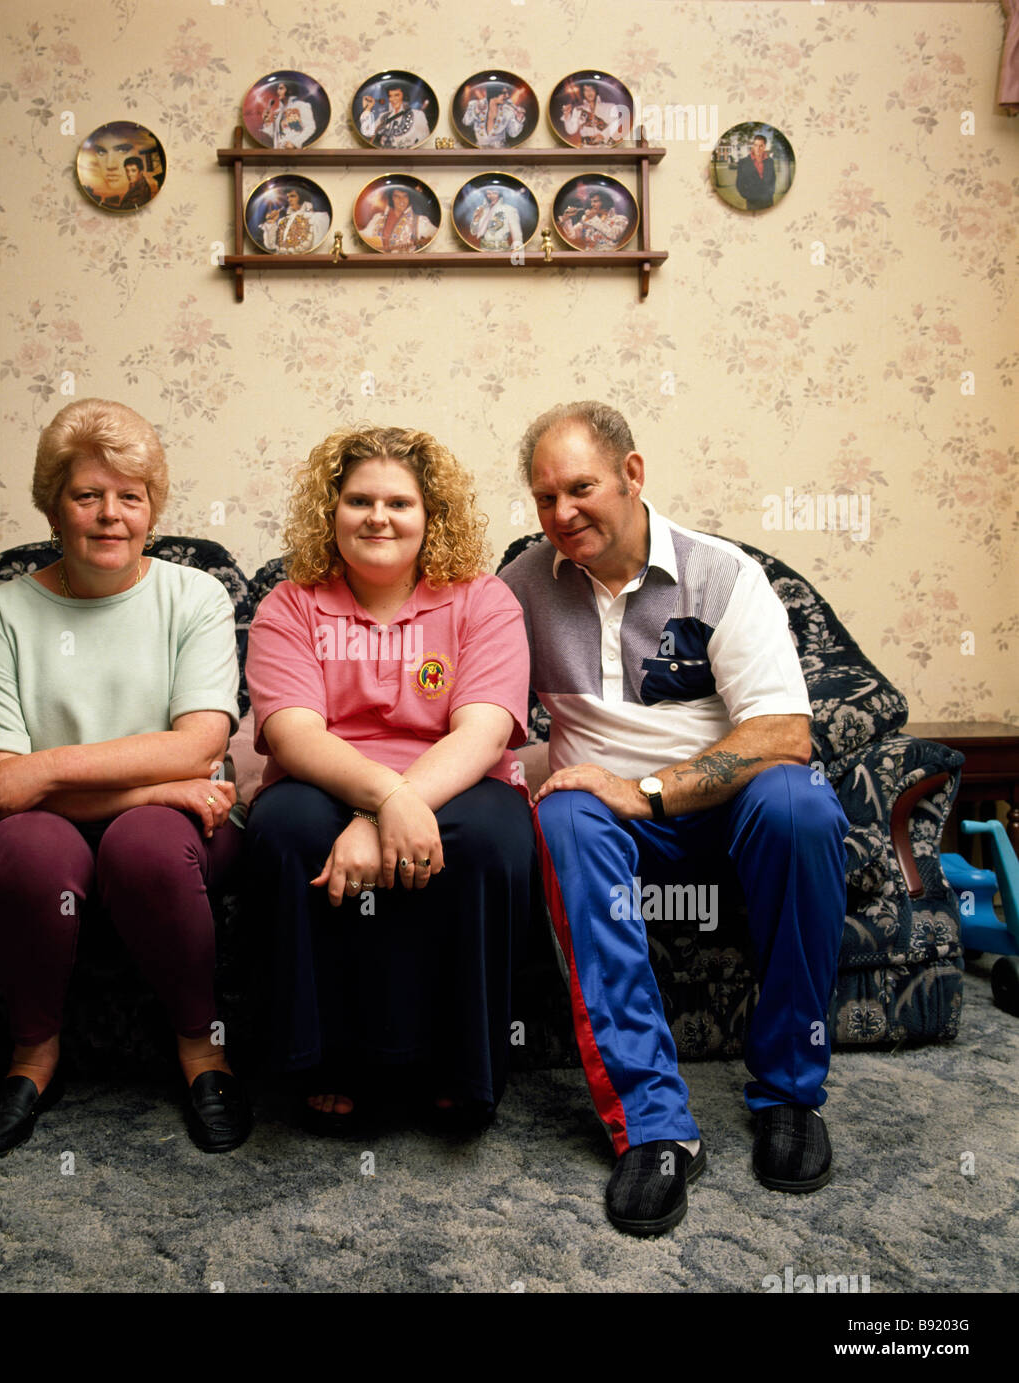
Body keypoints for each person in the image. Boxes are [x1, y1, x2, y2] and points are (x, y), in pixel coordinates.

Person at [498, 401, 848, 1236]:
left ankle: (790, 1093)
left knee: (798, 803)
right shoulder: (520, 588)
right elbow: (480, 714)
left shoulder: (722, 575)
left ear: (633, 473)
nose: (562, 513)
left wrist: (648, 788)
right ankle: (654, 1129)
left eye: (580, 487)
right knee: (568, 815)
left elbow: (782, 733)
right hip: (616, 835)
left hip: (733, 814)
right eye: (544, 498)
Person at [0, 397, 251, 1159]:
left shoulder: (196, 596)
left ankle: (200, 1050)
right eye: (87, 495)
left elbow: (199, 746)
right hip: (52, 830)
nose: (110, 515)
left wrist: (48, 768)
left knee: (146, 842)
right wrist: (155, 781)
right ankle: (33, 1057)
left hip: (177, 832)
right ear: (54, 508)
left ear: (153, 507)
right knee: (24, 847)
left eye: (131, 496)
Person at [244, 425, 535, 1135]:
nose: (379, 516)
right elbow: (294, 734)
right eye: (359, 500)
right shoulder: (290, 605)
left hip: (455, 777)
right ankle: (328, 1061)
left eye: (400, 502)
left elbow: (483, 731)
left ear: (431, 516)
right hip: (327, 780)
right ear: (330, 512)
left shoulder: (483, 600)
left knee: (494, 837)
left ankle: (458, 1069)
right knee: (286, 828)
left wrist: (385, 817)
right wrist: (383, 798)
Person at [360, 185, 438, 253]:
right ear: (391, 198)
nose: (401, 200)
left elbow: (435, 234)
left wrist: (421, 241)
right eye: (397, 196)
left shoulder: (420, 220)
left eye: (405, 196)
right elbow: (364, 236)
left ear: (409, 198)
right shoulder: (378, 217)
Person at [261, 186, 329, 254]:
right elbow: (270, 246)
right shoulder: (283, 221)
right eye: (288, 197)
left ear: (302, 197)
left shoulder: (318, 218)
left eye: (292, 196)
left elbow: (318, 251)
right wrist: (271, 223)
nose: (289, 200)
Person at [360, 85, 431, 148]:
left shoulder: (418, 115)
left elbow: (424, 139)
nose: (393, 99)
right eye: (390, 96)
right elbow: (367, 133)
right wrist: (367, 109)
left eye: (397, 95)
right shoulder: (383, 116)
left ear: (404, 96)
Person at [460, 85, 526, 148]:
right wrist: (477, 110)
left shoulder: (508, 110)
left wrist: (518, 119)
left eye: (507, 93)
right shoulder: (475, 104)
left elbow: (513, 134)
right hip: (479, 150)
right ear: (493, 93)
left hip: (502, 151)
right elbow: (466, 122)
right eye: (504, 93)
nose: (507, 96)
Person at [566, 191, 631, 249]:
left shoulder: (621, 219)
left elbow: (614, 235)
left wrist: (594, 218)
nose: (592, 204)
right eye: (591, 201)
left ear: (605, 202)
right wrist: (566, 219)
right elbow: (571, 236)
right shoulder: (588, 218)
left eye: (595, 201)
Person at [261, 80, 316, 148]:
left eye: (281, 88)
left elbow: (310, 127)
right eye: (278, 89)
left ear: (290, 90)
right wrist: (267, 121)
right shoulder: (277, 112)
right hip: (278, 153)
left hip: (294, 152)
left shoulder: (302, 106)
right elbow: (276, 135)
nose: (278, 91)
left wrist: (294, 143)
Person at [468, 187, 523, 251]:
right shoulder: (482, 209)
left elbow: (517, 235)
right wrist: (476, 219)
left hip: (501, 250)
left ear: (500, 194)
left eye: (495, 193)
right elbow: (473, 232)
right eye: (488, 193)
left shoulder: (509, 209)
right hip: (483, 249)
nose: (491, 196)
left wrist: (517, 253)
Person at [736, 134, 777, 210]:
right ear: (753, 146)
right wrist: (748, 196)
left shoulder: (770, 161)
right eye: (755, 145)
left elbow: (773, 179)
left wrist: (771, 193)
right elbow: (739, 184)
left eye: (761, 146)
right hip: (752, 203)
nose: (758, 148)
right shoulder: (743, 162)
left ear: (764, 146)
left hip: (768, 201)